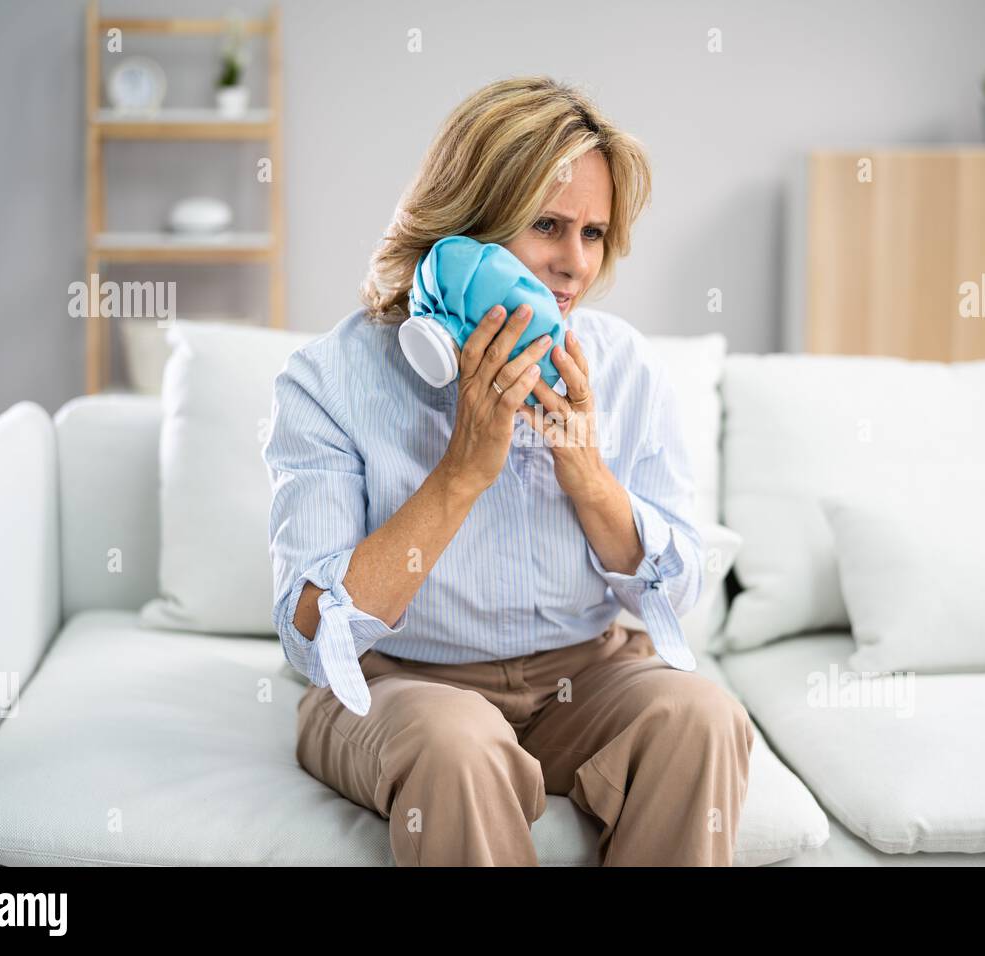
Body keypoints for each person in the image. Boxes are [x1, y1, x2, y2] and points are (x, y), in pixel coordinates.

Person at [263, 75, 754, 866]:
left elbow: (681, 590)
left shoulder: (624, 366)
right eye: (547, 226)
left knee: (704, 716)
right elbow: (313, 632)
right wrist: (460, 472)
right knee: (458, 742)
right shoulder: (331, 379)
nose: (573, 266)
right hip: (399, 687)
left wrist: (588, 477)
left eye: (593, 234)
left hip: (584, 678)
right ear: (462, 237)